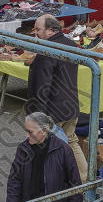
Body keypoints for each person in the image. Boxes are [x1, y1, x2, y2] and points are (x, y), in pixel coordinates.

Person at [26, 15, 89, 180]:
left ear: (51, 30)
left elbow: (42, 86)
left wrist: (37, 117)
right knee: (72, 142)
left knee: (47, 150)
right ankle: (83, 179)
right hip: (70, 107)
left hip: (52, 111)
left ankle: (51, 186)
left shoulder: (47, 52)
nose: (36, 34)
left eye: (38, 30)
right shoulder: (70, 44)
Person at [5, 112, 83, 202]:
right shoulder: (23, 149)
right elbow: (15, 179)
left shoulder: (62, 150)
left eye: (30, 132)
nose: (27, 135)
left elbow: (75, 184)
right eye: (26, 131)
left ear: (44, 131)